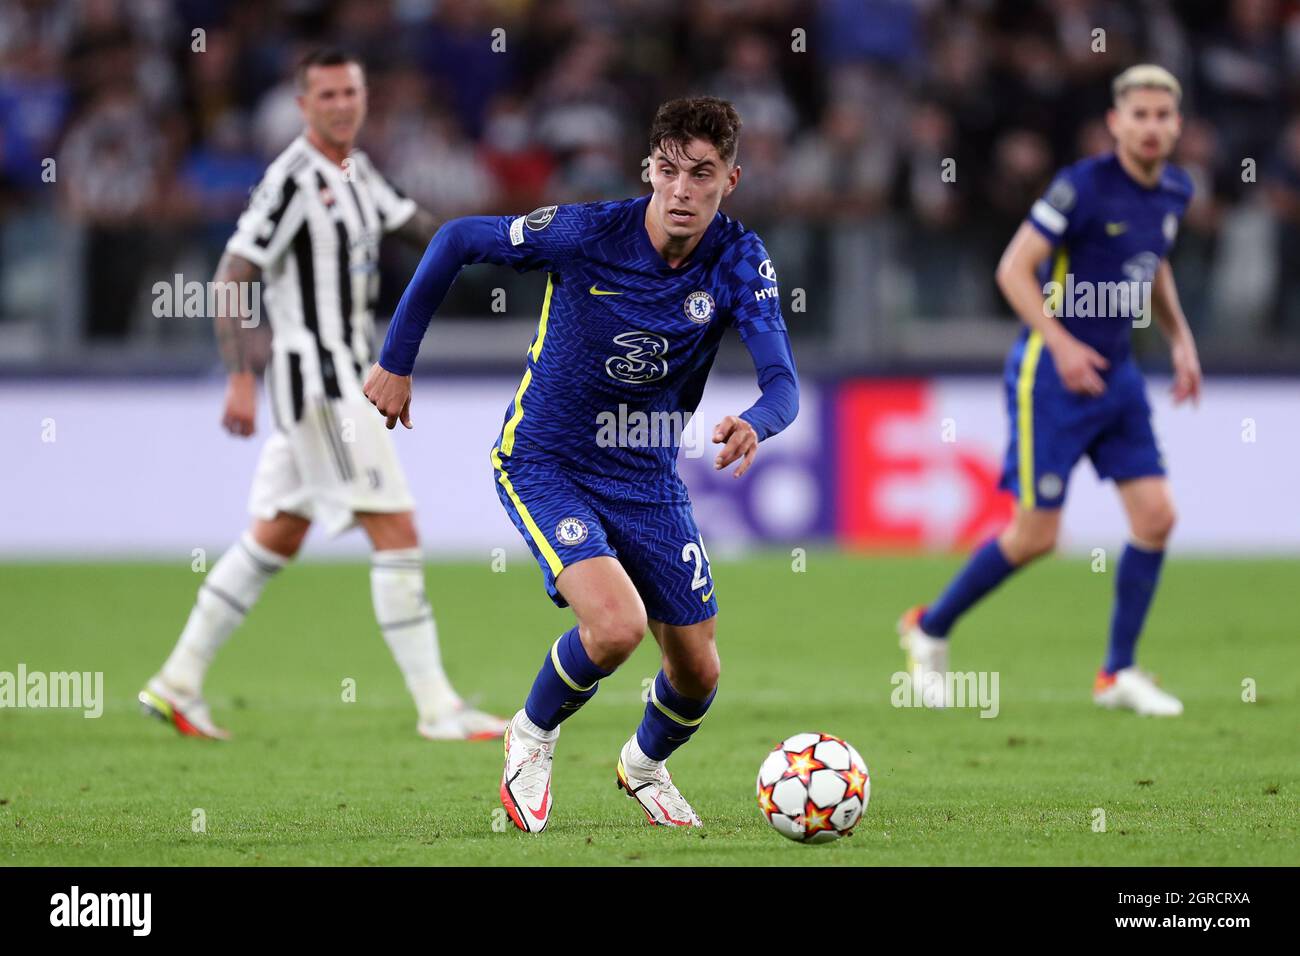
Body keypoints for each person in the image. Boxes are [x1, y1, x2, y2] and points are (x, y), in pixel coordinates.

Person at [364, 96, 799, 831]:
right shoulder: (587, 232)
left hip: (647, 478)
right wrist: (396, 363)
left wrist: (755, 424)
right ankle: (531, 736)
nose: (683, 190)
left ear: (732, 179)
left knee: (699, 671)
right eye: (670, 171)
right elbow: (454, 239)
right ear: (648, 170)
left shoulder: (738, 259)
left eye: (703, 173)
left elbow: (782, 384)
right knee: (616, 627)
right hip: (545, 459)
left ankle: (643, 764)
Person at [139, 49, 506, 742]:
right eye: (327, 94)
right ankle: (438, 708)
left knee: (278, 532)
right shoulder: (290, 180)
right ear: (304, 104)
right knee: (395, 529)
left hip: (337, 380)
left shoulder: (357, 171)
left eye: (351, 92)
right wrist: (241, 376)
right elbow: (233, 273)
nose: (342, 104)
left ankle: (176, 682)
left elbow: (428, 232)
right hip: (326, 387)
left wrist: (517, 244)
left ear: (364, 99)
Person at [899, 65, 1202, 717]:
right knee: (1036, 536)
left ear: (1176, 125)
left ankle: (1116, 673)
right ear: (1115, 123)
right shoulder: (1081, 187)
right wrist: (1061, 344)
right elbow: (1014, 268)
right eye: (1138, 115)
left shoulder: (1175, 190)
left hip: (1117, 375)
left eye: (1162, 116)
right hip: (1051, 375)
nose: (1150, 127)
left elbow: (1154, 266)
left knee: (1157, 517)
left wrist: (1180, 339)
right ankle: (929, 627)